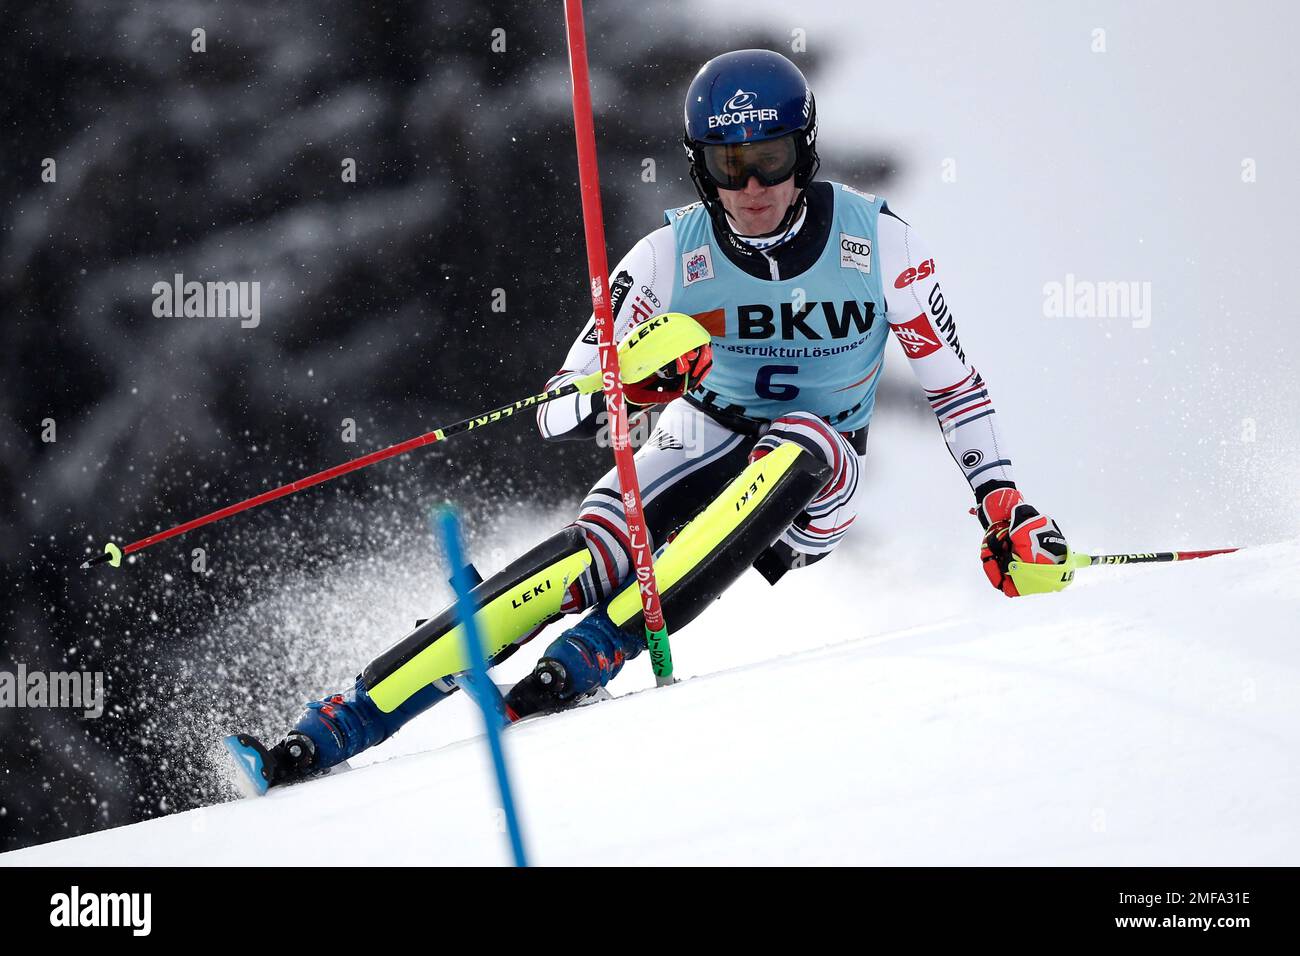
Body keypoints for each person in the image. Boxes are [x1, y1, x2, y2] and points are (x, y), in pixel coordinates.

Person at [225, 49, 1067, 793]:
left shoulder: (883, 244)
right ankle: (339, 725)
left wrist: (1003, 504)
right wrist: (627, 384)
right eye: (728, 164)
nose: (753, 188)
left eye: (770, 161)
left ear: (803, 151)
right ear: (701, 167)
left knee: (802, 439)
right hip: (701, 436)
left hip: (816, 479)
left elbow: (956, 386)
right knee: (586, 556)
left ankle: (603, 643)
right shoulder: (668, 256)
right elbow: (561, 409)